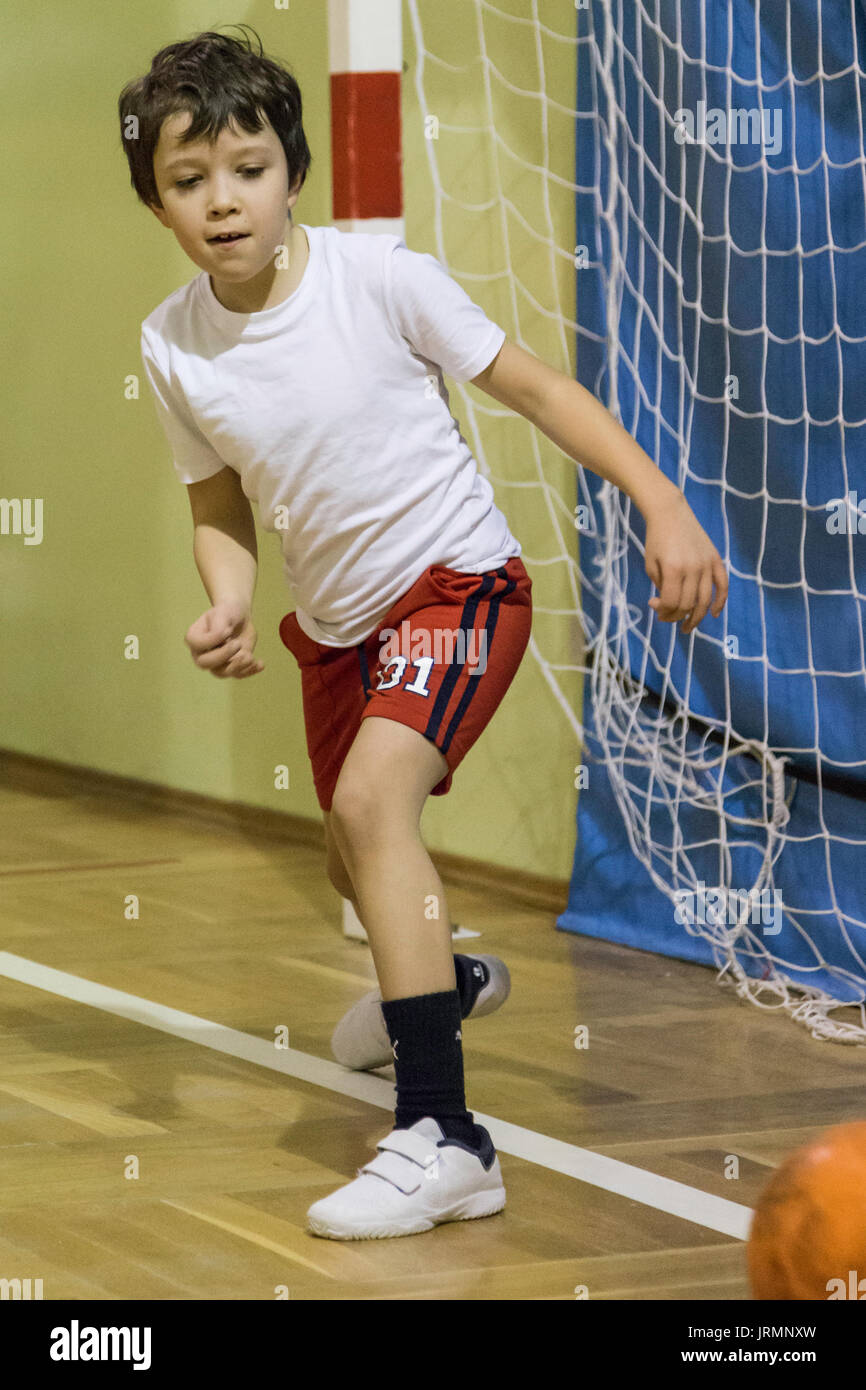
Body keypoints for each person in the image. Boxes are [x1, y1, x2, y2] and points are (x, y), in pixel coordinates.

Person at [119, 26, 728, 1242]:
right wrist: (229, 596)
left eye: (245, 168)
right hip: (334, 629)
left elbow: (538, 389)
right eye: (188, 182)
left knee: (368, 810)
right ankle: (436, 988)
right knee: (353, 859)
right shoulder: (170, 342)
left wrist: (660, 502)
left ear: (292, 172)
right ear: (157, 205)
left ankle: (446, 1135)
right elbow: (219, 501)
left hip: (458, 589)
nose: (221, 200)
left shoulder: (382, 278)